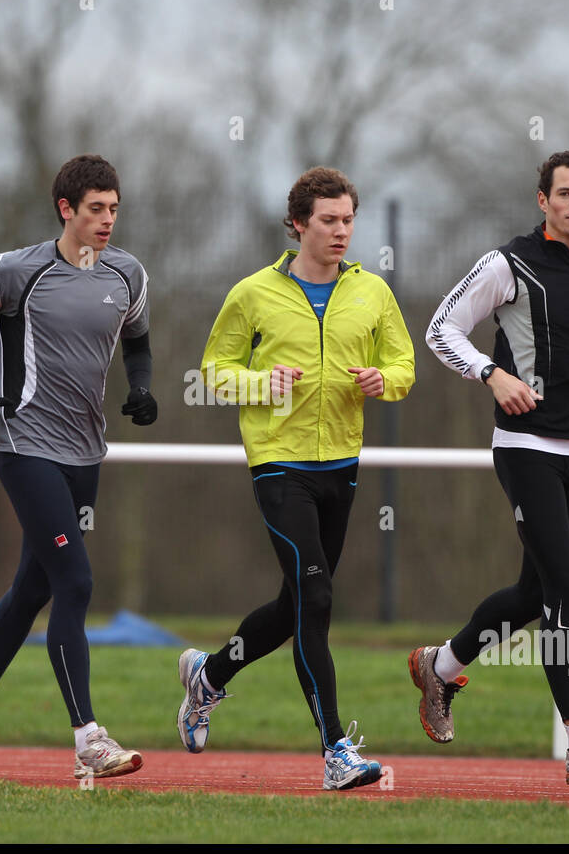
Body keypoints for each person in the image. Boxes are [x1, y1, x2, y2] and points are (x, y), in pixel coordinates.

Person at [411, 149, 569, 784]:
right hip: (525, 447)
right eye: (562, 193)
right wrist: (491, 375)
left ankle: (438, 669)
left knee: (533, 592)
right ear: (541, 200)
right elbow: (441, 329)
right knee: (566, 587)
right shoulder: (508, 263)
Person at [176, 167, 415, 790]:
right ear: (298, 224)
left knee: (294, 607)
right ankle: (336, 749)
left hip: (343, 464)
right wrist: (263, 382)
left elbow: (405, 365)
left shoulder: (373, 294)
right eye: (329, 221)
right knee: (320, 597)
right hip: (278, 465)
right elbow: (213, 370)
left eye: (348, 220)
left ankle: (209, 676)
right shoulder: (252, 293)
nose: (341, 232)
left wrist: (380, 381)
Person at [0, 154, 154, 782]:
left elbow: (137, 338)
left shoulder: (128, 274)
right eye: (96, 210)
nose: (108, 220)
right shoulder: (17, 270)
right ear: (66, 209)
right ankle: (88, 737)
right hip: (24, 444)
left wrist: (140, 388)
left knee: (35, 587)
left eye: (115, 209)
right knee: (75, 583)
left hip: (88, 453)